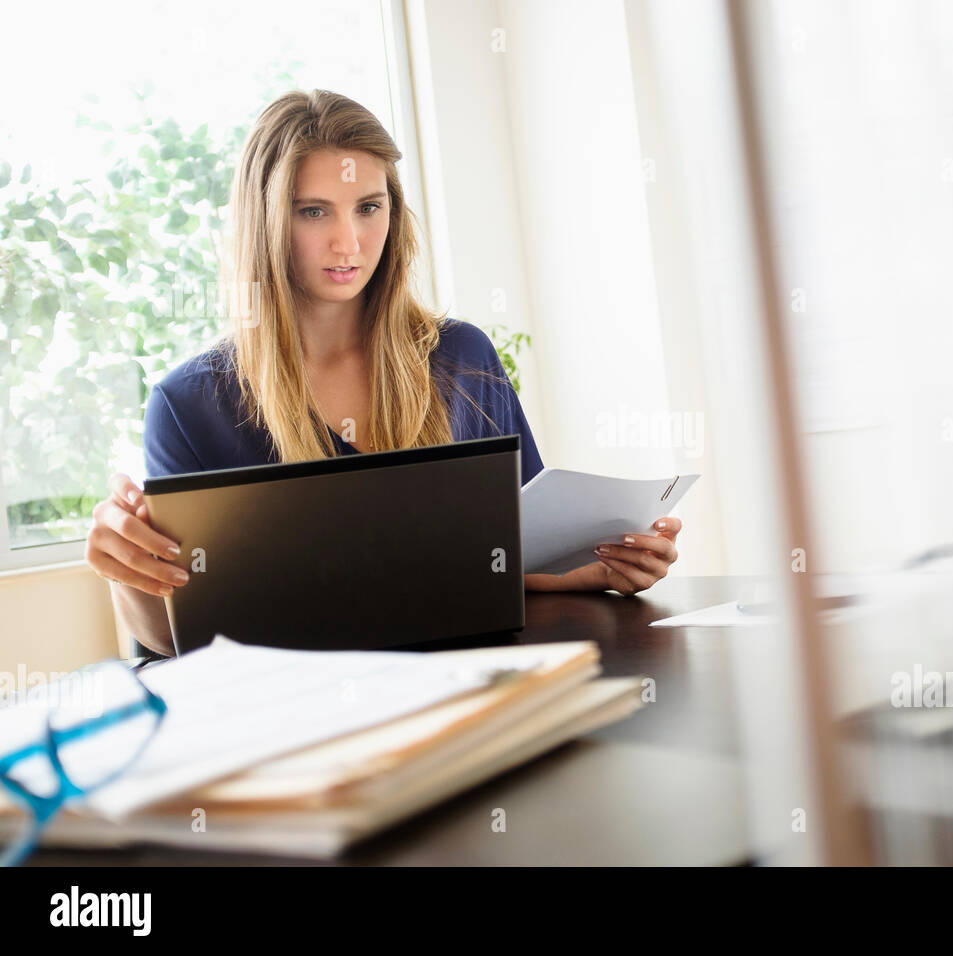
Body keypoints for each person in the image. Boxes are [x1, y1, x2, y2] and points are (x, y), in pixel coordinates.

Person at [84, 90, 682, 657]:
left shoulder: (463, 357)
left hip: (477, 690)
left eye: (369, 207)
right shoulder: (190, 405)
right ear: (266, 223)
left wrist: (592, 568)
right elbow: (173, 641)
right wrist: (125, 571)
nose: (349, 243)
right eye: (314, 211)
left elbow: (510, 560)